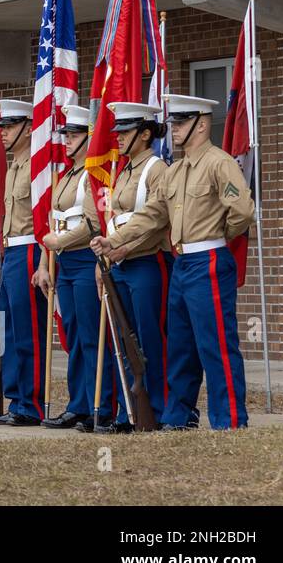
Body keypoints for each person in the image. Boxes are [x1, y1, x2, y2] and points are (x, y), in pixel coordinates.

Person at [91, 95, 255, 431]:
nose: (174, 129)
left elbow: (242, 211)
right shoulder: (176, 169)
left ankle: (229, 420)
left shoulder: (219, 163)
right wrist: (115, 241)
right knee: (181, 345)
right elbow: (153, 215)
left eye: (181, 122)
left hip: (208, 258)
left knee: (216, 344)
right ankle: (178, 417)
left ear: (202, 124)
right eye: (174, 122)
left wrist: (216, 235)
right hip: (183, 263)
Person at [86, 101, 171, 434]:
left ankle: (158, 409)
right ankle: (128, 412)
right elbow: (111, 217)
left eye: (125, 131)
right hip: (119, 263)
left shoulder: (156, 168)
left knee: (149, 339)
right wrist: (106, 255)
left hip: (145, 262)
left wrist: (120, 244)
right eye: (117, 131)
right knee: (122, 339)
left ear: (145, 133)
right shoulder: (123, 170)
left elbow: (155, 217)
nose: (118, 137)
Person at [33, 106, 113, 431]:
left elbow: (95, 224)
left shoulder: (93, 176)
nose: (67, 140)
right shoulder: (65, 175)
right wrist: (51, 250)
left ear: (89, 138)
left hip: (83, 258)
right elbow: (56, 218)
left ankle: (101, 405)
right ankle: (78, 404)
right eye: (66, 134)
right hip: (65, 262)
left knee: (93, 335)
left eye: (75, 134)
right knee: (75, 337)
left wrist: (59, 240)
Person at [0, 98, 47, 426]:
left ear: (27, 128)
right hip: (11, 253)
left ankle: (31, 404)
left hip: (29, 251)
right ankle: (15, 399)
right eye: (3, 127)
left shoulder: (37, 166)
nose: (4, 133)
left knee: (28, 331)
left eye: (10, 127)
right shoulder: (14, 167)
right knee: (7, 331)